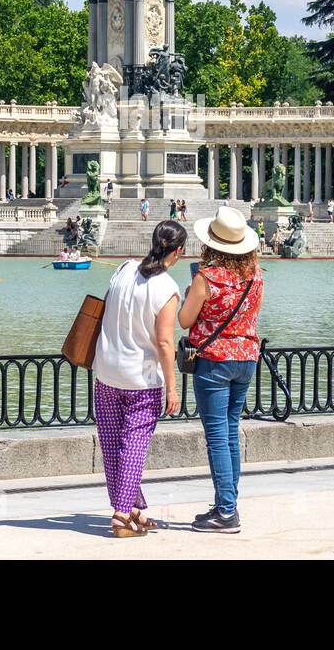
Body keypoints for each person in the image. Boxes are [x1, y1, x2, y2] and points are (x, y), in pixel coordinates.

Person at [92, 220, 186, 538]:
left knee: (112, 444)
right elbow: (164, 342)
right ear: (179, 252)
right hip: (141, 378)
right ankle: (121, 516)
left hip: (106, 370)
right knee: (134, 445)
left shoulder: (123, 269)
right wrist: (172, 387)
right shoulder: (167, 288)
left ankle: (132, 509)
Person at [179, 207, 264, 534]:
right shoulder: (256, 276)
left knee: (217, 436)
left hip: (214, 360)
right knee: (230, 432)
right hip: (246, 358)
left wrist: (191, 293)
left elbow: (186, 320)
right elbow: (253, 314)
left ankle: (226, 512)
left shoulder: (206, 277)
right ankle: (227, 504)